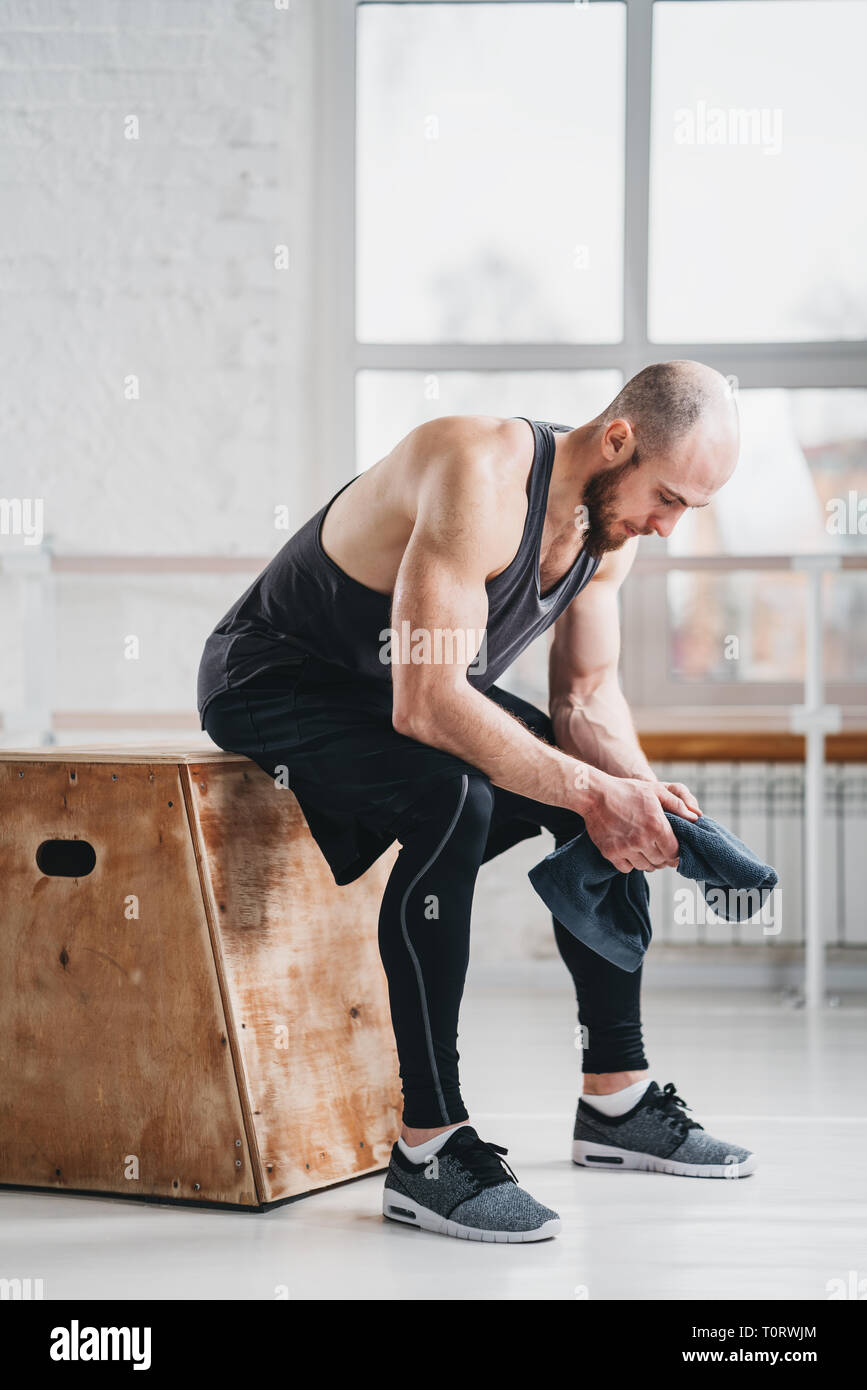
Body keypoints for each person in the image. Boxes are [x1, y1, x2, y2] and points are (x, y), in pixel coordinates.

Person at [197, 360, 755, 1244]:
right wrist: (598, 789)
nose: (668, 527)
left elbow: (585, 703)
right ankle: (428, 1149)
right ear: (617, 440)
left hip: (392, 686)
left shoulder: (608, 535)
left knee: (599, 806)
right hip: (277, 677)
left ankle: (617, 1100)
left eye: (689, 510)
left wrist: (640, 798)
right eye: (669, 497)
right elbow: (426, 702)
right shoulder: (478, 468)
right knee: (452, 796)